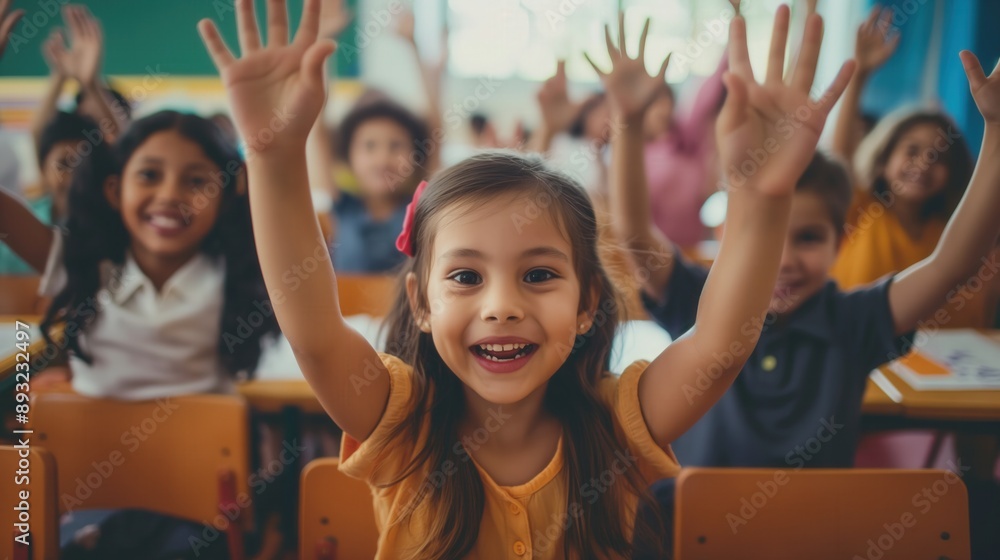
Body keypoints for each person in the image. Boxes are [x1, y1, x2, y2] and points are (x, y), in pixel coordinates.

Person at [197, 0, 853, 556]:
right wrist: (274, 156)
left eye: (539, 274)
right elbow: (314, 332)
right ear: (420, 303)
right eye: (465, 276)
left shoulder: (616, 425)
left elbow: (720, 346)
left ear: (589, 300)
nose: (503, 306)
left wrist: (763, 195)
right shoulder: (401, 422)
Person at [831, 4, 998, 328]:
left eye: (939, 157)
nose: (924, 163)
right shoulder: (860, 211)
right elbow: (840, 159)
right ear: (882, 162)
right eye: (912, 150)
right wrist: (860, 74)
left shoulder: (952, 234)